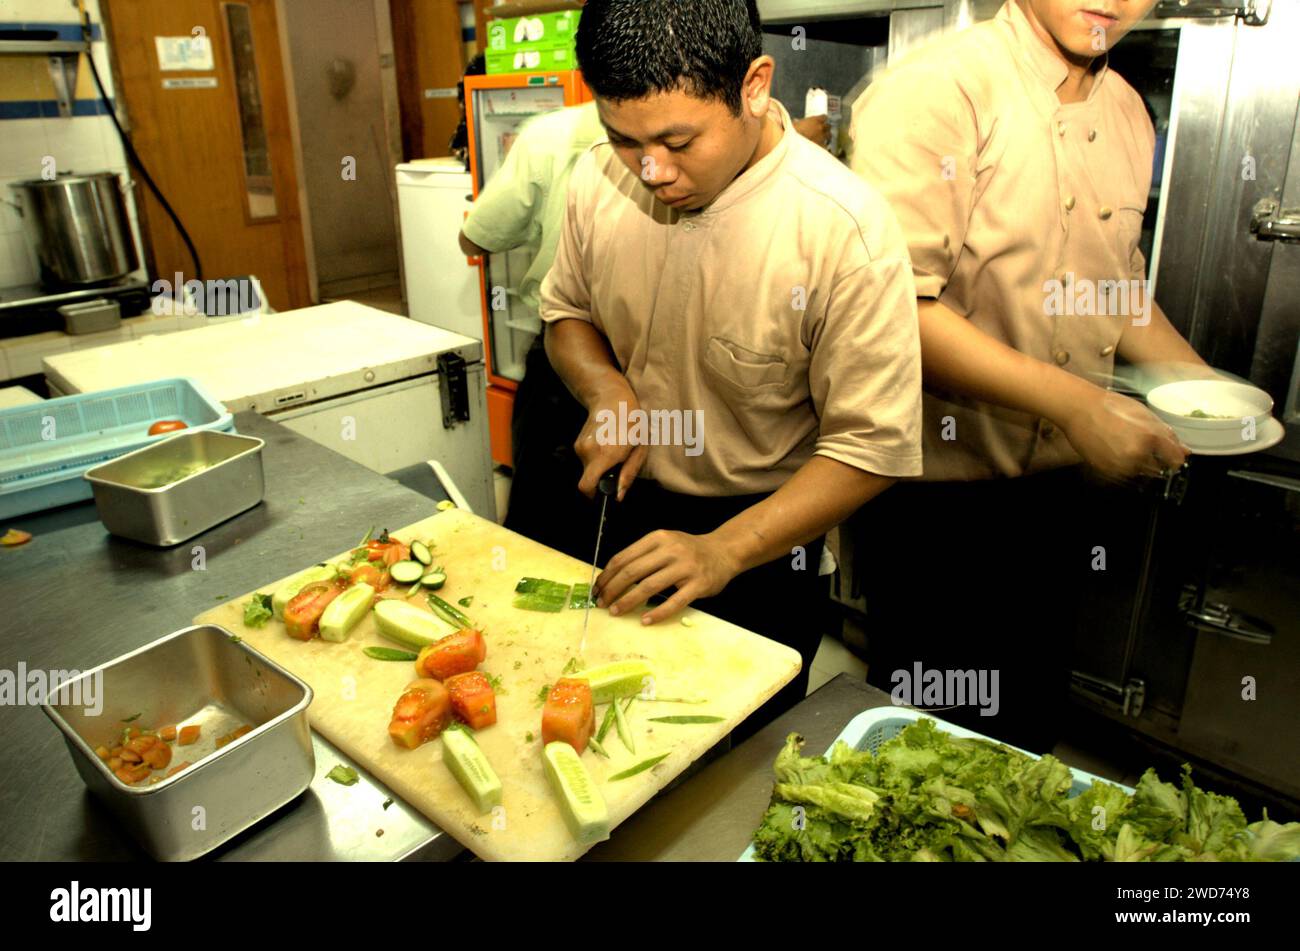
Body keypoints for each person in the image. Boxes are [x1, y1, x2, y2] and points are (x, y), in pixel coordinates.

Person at [540, 0, 924, 729]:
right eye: (624, 139)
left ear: (753, 85)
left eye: (677, 141)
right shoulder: (597, 179)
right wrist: (606, 389)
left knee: (730, 780)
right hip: (622, 510)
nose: (651, 169)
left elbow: (872, 447)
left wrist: (723, 552)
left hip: (763, 542)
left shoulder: (844, 230)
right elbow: (566, 314)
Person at [847, 0, 1213, 751]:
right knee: (930, 754)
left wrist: (1203, 391)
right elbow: (897, 308)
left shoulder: (1127, 113)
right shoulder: (937, 90)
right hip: (936, 503)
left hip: (1058, 494)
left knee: (1026, 737)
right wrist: (1080, 405)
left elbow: (1114, 288)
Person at [458, 101, 607, 554]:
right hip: (647, 365)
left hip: (562, 369)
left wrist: (538, 227)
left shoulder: (548, 135)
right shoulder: (703, 135)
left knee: (543, 532)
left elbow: (476, 236)